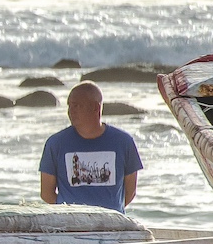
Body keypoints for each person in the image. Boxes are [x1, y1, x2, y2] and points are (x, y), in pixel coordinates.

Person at [39, 82, 142, 213]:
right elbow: (46, 193)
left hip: (112, 226)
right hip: (69, 226)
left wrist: (108, 212)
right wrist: (71, 214)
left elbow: (130, 192)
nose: (71, 111)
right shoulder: (55, 143)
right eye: (69, 106)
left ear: (95, 107)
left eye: (77, 105)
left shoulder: (124, 142)